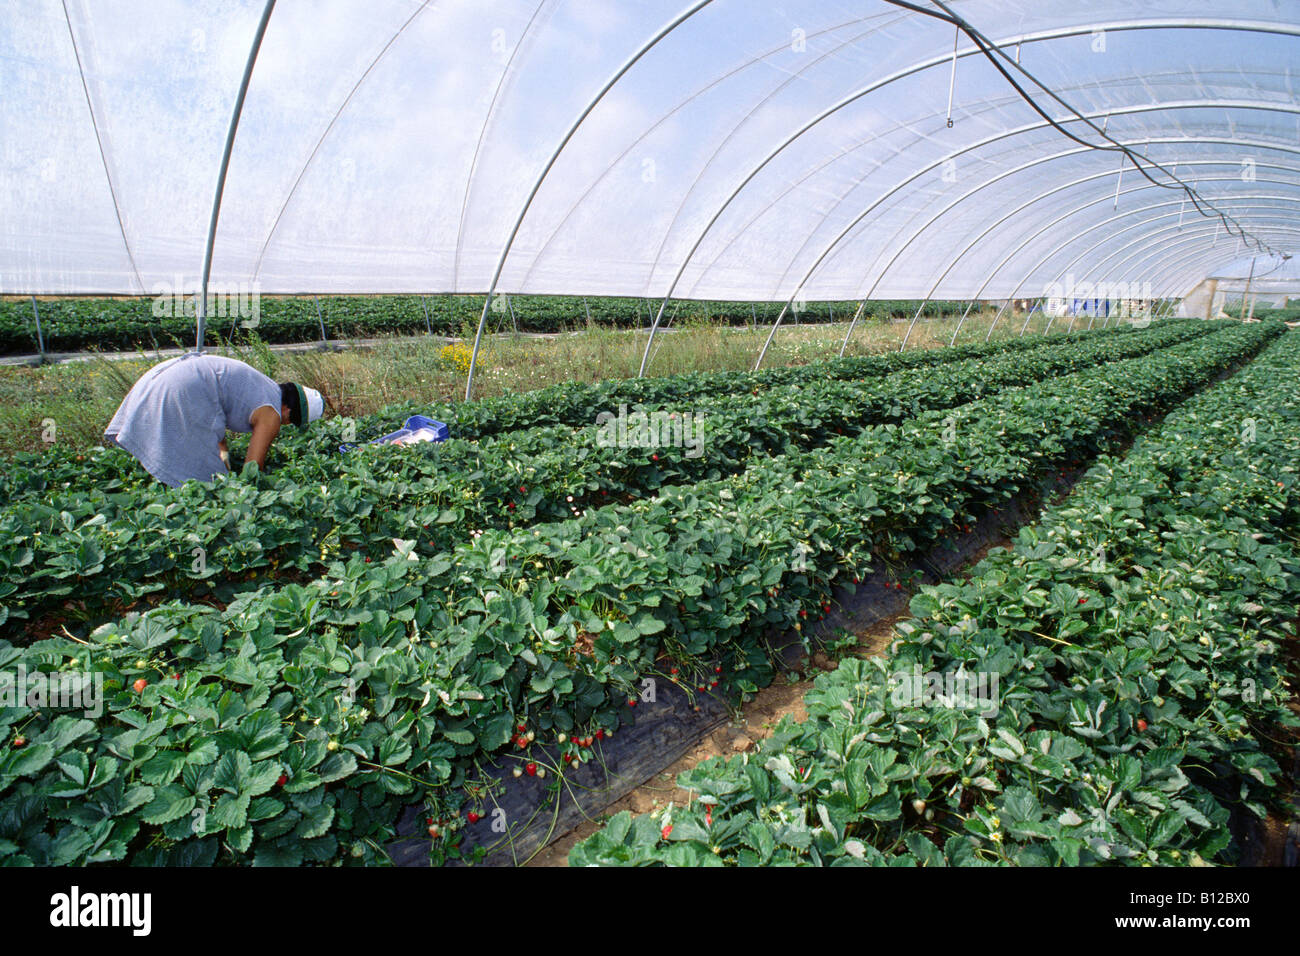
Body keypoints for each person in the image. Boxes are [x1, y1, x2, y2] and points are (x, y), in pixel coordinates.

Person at [103, 352, 323, 487]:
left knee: (187, 456)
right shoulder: (272, 413)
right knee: (201, 481)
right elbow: (253, 466)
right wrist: (245, 493)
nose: (284, 425)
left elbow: (219, 438)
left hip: (164, 376)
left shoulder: (263, 388)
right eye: (290, 420)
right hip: (185, 388)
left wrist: (225, 465)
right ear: (288, 409)